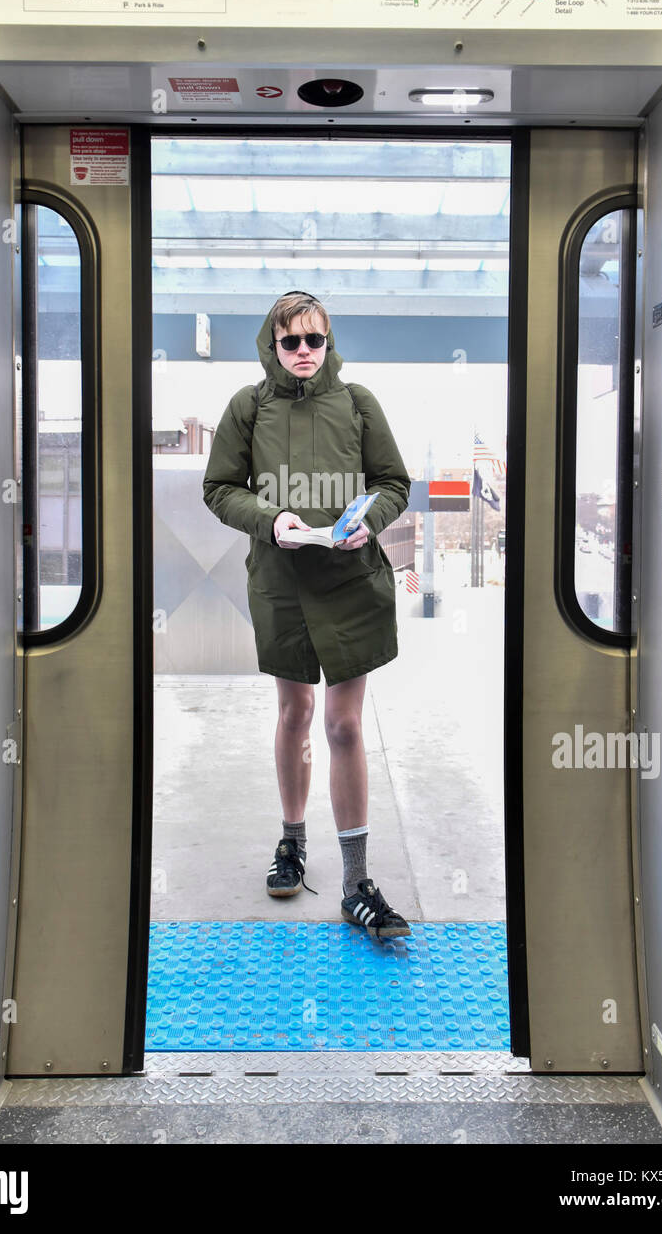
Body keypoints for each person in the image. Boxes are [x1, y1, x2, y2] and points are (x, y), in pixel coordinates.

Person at [202, 290, 412, 940]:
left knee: (344, 726)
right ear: (272, 342)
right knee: (293, 715)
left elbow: (392, 483)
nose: (301, 353)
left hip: (351, 579)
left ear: (327, 342)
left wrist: (367, 520)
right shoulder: (247, 407)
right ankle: (292, 841)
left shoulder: (357, 404)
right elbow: (218, 488)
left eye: (313, 341)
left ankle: (355, 883)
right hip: (282, 581)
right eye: (289, 341)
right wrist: (271, 521)